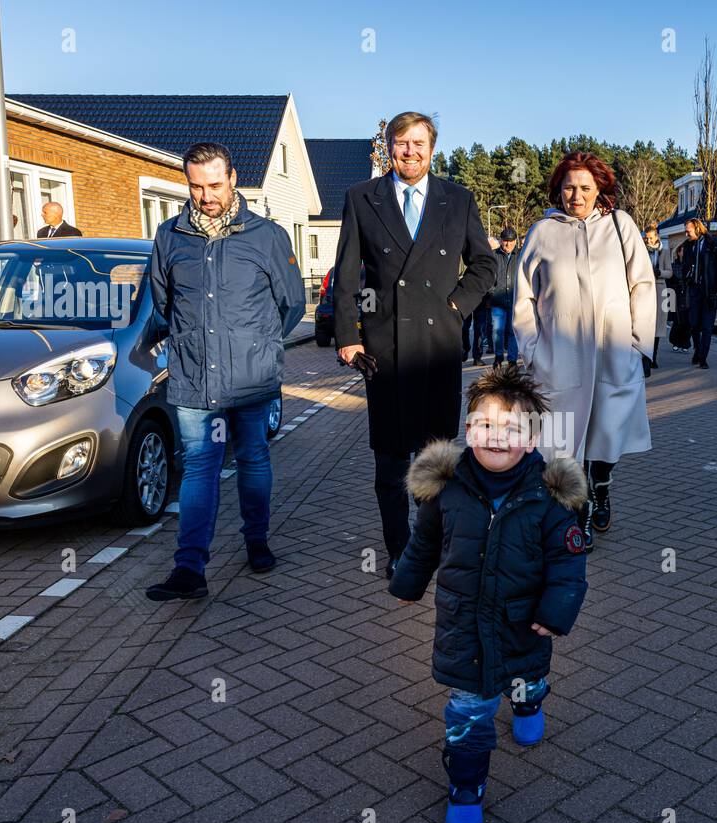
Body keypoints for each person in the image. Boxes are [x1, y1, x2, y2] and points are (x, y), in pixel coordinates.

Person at [389, 365, 588, 823]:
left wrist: (556, 612)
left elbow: (567, 565)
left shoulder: (549, 496)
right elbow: (425, 543)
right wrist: (407, 582)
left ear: (532, 438)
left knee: (527, 679)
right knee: (468, 709)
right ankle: (465, 786)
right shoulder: (447, 487)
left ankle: (529, 702)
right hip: (462, 626)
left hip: (525, 624)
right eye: (483, 424)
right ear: (467, 429)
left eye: (510, 428)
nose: (495, 437)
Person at [333, 111, 497, 579]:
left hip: (437, 347)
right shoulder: (361, 197)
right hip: (383, 349)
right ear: (389, 147)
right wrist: (347, 334)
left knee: (437, 457)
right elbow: (347, 273)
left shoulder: (458, 199)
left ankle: (435, 544)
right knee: (389, 462)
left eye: (419, 143)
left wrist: (454, 308)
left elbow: (485, 266)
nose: (410, 151)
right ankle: (399, 550)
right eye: (401, 143)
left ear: (433, 148)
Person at [145, 142, 306, 600]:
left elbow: (291, 302)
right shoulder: (169, 236)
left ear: (233, 178)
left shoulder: (267, 236)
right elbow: (162, 301)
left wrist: (260, 341)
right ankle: (190, 569)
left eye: (215, 184)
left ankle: (256, 539)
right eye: (196, 186)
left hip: (251, 378)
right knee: (200, 466)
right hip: (195, 378)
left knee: (253, 458)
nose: (206, 195)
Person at [513, 151, 655, 551]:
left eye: (585, 188)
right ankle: (578, 517)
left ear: (600, 190)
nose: (577, 195)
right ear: (558, 189)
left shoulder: (620, 225)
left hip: (612, 352)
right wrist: (532, 352)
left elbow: (643, 285)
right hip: (558, 359)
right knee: (560, 444)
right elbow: (524, 298)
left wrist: (638, 347)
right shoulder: (542, 232)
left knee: (606, 436)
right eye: (570, 187)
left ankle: (601, 488)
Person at [681, 218, 717, 369]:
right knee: (694, 324)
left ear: (697, 229)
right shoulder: (688, 245)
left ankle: (703, 358)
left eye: (688, 230)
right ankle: (698, 350)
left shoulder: (712, 243)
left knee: (707, 327)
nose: (686, 233)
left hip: (710, 291)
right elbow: (684, 266)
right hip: (694, 290)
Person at [490, 226, 520, 368]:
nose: (508, 244)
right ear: (500, 241)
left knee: (512, 331)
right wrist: (492, 291)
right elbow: (487, 276)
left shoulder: (520, 255)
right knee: (497, 330)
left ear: (515, 241)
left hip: (515, 299)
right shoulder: (493, 255)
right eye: (505, 241)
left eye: (511, 241)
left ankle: (512, 360)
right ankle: (498, 357)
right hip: (498, 300)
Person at [643, 224, 668, 368]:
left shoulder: (664, 252)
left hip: (660, 289)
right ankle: (645, 355)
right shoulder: (642, 251)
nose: (648, 241)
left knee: (658, 325)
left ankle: (653, 357)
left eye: (651, 238)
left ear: (656, 237)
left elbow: (669, 272)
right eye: (646, 238)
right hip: (646, 289)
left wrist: (660, 273)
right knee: (646, 323)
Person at [666, 244, 691, 352]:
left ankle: (685, 343)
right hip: (675, 296)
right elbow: (669, 284)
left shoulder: (690, 266)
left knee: (687, 321)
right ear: (678, 253)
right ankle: (675, 342)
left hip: (687, 296)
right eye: (683, 251)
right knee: (677, 321)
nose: (684, 254)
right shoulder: (673, 266)